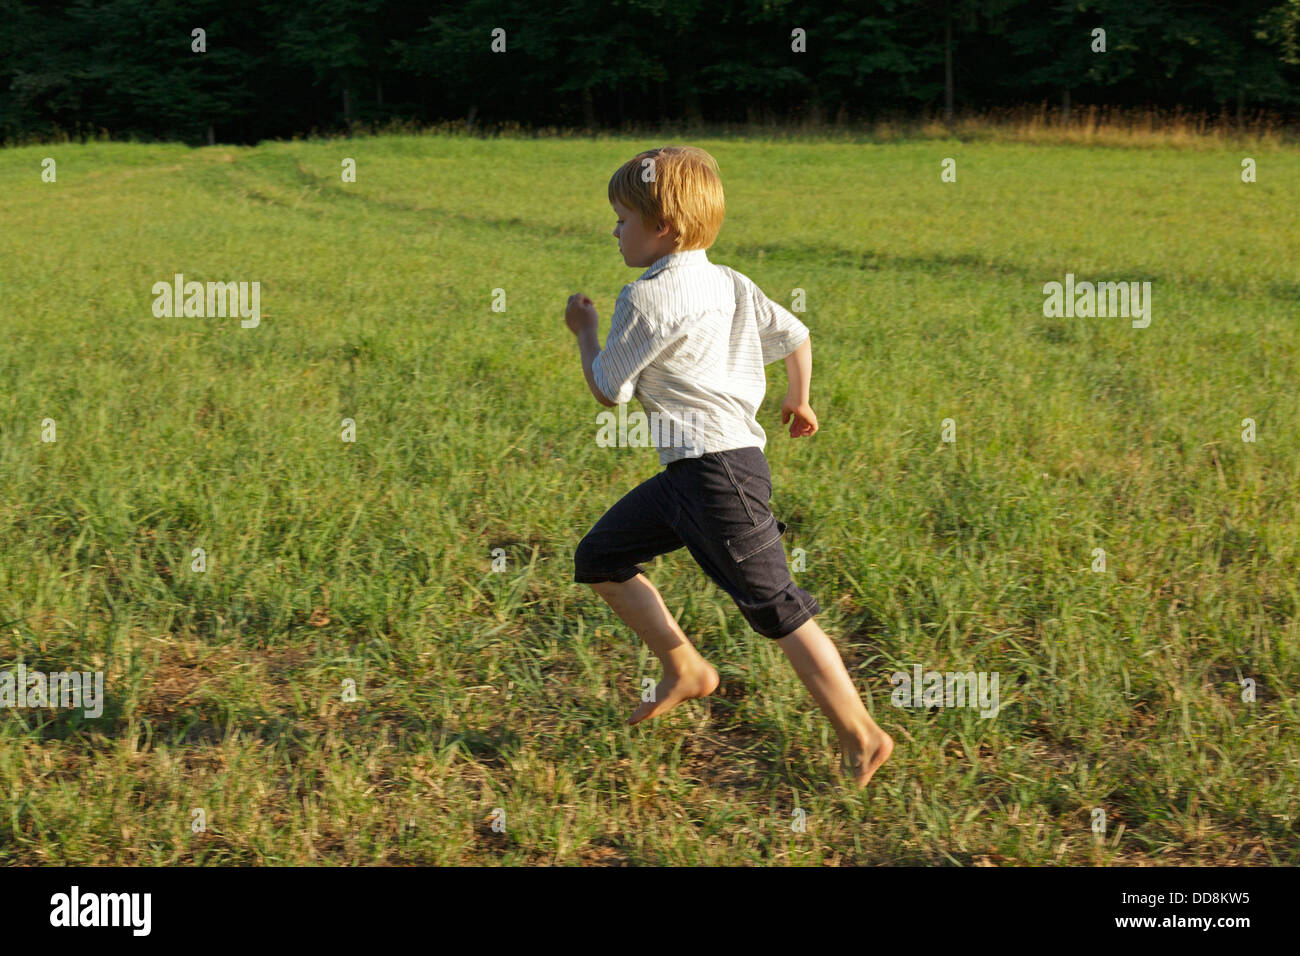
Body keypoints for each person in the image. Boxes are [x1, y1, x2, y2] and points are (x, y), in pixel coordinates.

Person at [564, 145, 893, 787]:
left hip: (718, 477)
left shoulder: (645, 298)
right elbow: (795, 335)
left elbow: (609, 388)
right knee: (599, 558)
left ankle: (863, 734)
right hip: (697, 474)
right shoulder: (729, 280)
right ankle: (685, 669)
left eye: (623, 218)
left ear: (665, 227)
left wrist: (583, 330)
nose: (615, 230)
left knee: (777, 608)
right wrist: (798, 397)